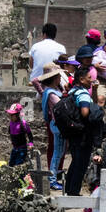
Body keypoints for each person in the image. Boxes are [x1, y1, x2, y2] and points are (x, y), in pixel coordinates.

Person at [62, 66, 106, 195]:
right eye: (89, 78)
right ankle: (74, 194)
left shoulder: (73, 91)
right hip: (83, 135)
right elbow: (85, 112)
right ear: (81, 79)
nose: (91, 81)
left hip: (74, 133)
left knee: (75, 162)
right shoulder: (83, 94)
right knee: (80, 165)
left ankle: (69, 191)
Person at [39, 62, 68, 190]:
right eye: (58, 76)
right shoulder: (52, 94)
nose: (60, 78)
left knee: (59, 152)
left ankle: (54, 176)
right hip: (58, 126)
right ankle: (52, 179)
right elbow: (62, 106)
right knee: (57, 153)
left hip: (55, 125)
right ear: (54, 78)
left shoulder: (49, 91)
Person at [29, 22, 67, 92]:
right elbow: (63, 66)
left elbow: (31, 65)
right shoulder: (61, 48)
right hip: (54, 83)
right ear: (54, 35)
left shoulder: (35, 46)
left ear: (44, 34)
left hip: (35, 82)